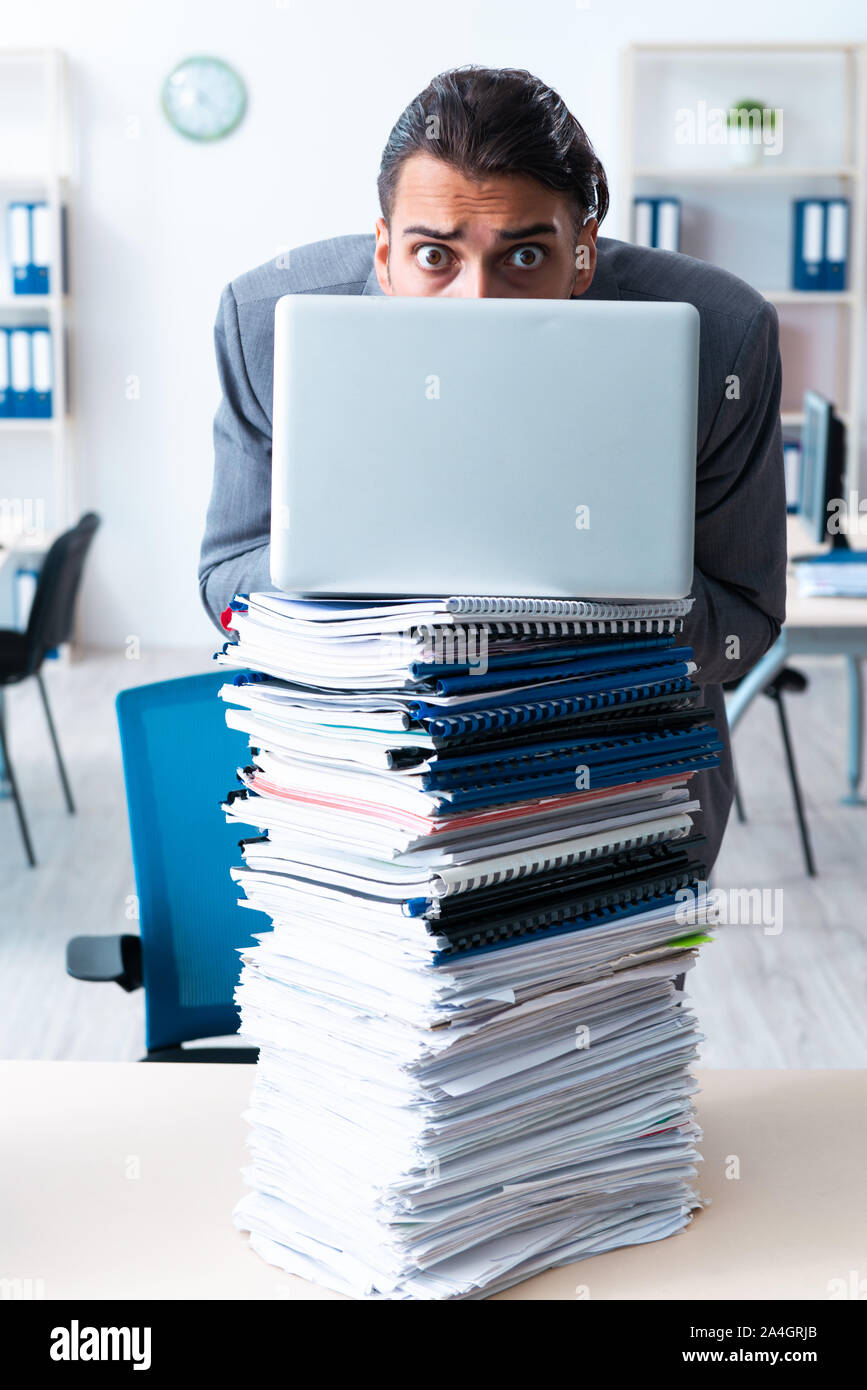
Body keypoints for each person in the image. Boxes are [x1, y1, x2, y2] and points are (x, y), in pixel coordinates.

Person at [198, 65, 787, 876]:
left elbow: (743, 621)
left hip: (617, 771)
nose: (476, 301)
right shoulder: (264, 325)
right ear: (383, 252)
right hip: (366, 768)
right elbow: (223, 584)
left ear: (581, 257)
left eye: (524, 256)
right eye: (434, 255)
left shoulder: (722, 336)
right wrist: (366, 553)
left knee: (597, 999)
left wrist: (551, 599)